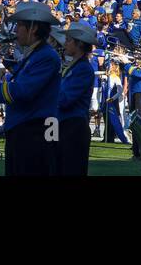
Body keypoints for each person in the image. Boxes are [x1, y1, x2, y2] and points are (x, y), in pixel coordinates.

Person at [0, 1, 62, 176]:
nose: (15, 30)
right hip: (30, 128)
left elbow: (23, 91)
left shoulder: (46, 56)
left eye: (19, 25)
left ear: (33, 28)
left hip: (35, 131)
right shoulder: (35, 54)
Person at [56, 21, 97, 176]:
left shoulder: (84, 69)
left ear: (79, 43)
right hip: (61, 124)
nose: (65, 43)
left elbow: (65, 100)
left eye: (69, 40)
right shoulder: (72, 66)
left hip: (73, 127)